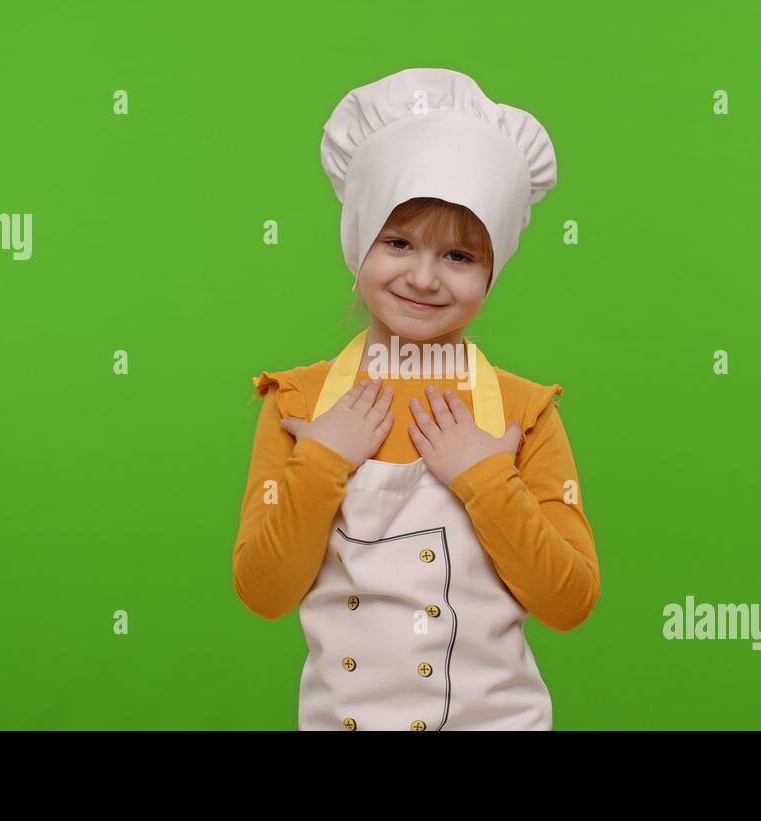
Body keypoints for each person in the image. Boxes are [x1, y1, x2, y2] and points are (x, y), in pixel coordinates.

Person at [233, 67, 599, 730]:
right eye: (398, 242)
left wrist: (485, 474)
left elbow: (569, 600)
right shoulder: (299, 401)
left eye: (459, 256)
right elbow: (263, 590)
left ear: (493, 270)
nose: (424, 276)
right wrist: (321, 461)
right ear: (358, 241)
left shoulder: (523, 411)